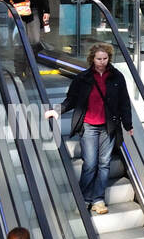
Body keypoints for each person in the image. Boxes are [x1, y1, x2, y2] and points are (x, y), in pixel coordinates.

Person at [44, 43, 134, 215]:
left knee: (105, 163)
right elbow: (71, 99)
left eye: (105, 59)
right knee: (90, 164)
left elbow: (124, 103)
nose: (102, 62)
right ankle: (84, 198)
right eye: (98, 59)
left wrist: (128, 125)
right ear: (92, 59)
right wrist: (57, 111)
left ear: (109, 58)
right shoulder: (83, 78)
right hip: (88, 126)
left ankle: (98, 200)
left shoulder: (117, 77)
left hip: (109, 126)